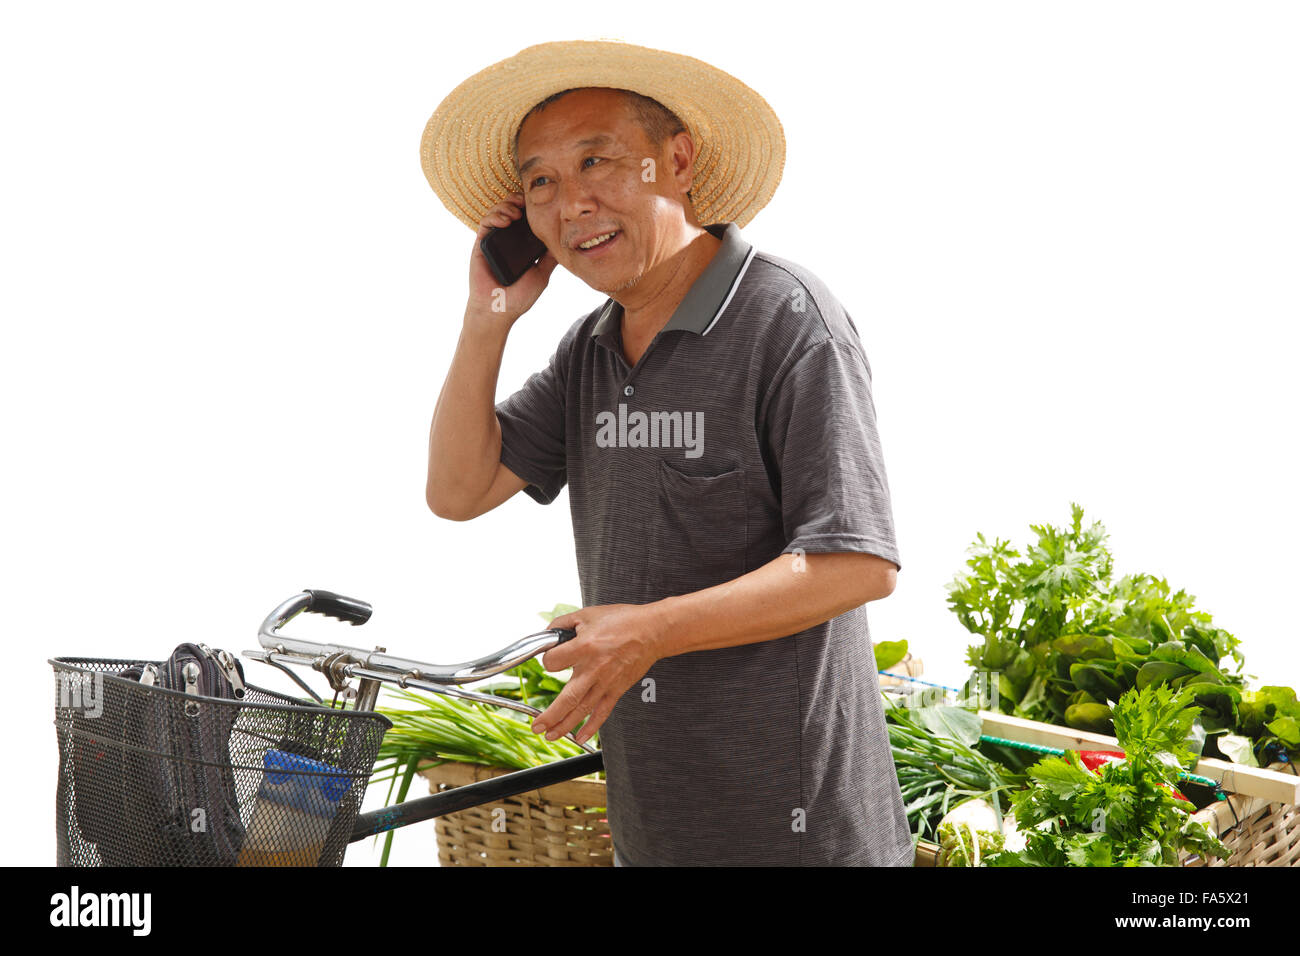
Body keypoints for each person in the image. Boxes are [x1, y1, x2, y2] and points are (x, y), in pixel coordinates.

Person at [422, 40, 911, 866]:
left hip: (801, 841)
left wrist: (647, 633)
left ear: (677, 161)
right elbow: (458, 488)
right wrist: (490, 316)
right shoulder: (591, 350)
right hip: (658, 832)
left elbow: (856, 562)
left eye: (597, 161)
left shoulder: (788, 322)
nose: (571, 203)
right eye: (540, 180)